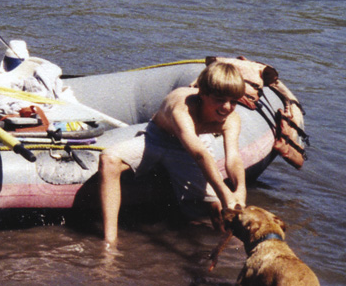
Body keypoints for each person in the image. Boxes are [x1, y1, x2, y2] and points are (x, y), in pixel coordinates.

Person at [97, 60, 247, 246]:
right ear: (203, 94)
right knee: (109, 159)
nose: (226, 107)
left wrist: (240, 191)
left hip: (192, 144)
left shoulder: (231, 118)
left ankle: (229, 254)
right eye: (219, 100)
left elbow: (233, 158)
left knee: (216, 210)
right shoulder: (182, 109)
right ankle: (109, 242)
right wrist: (226, 194)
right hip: (158, 138)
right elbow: (200, 154)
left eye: (233, 102)